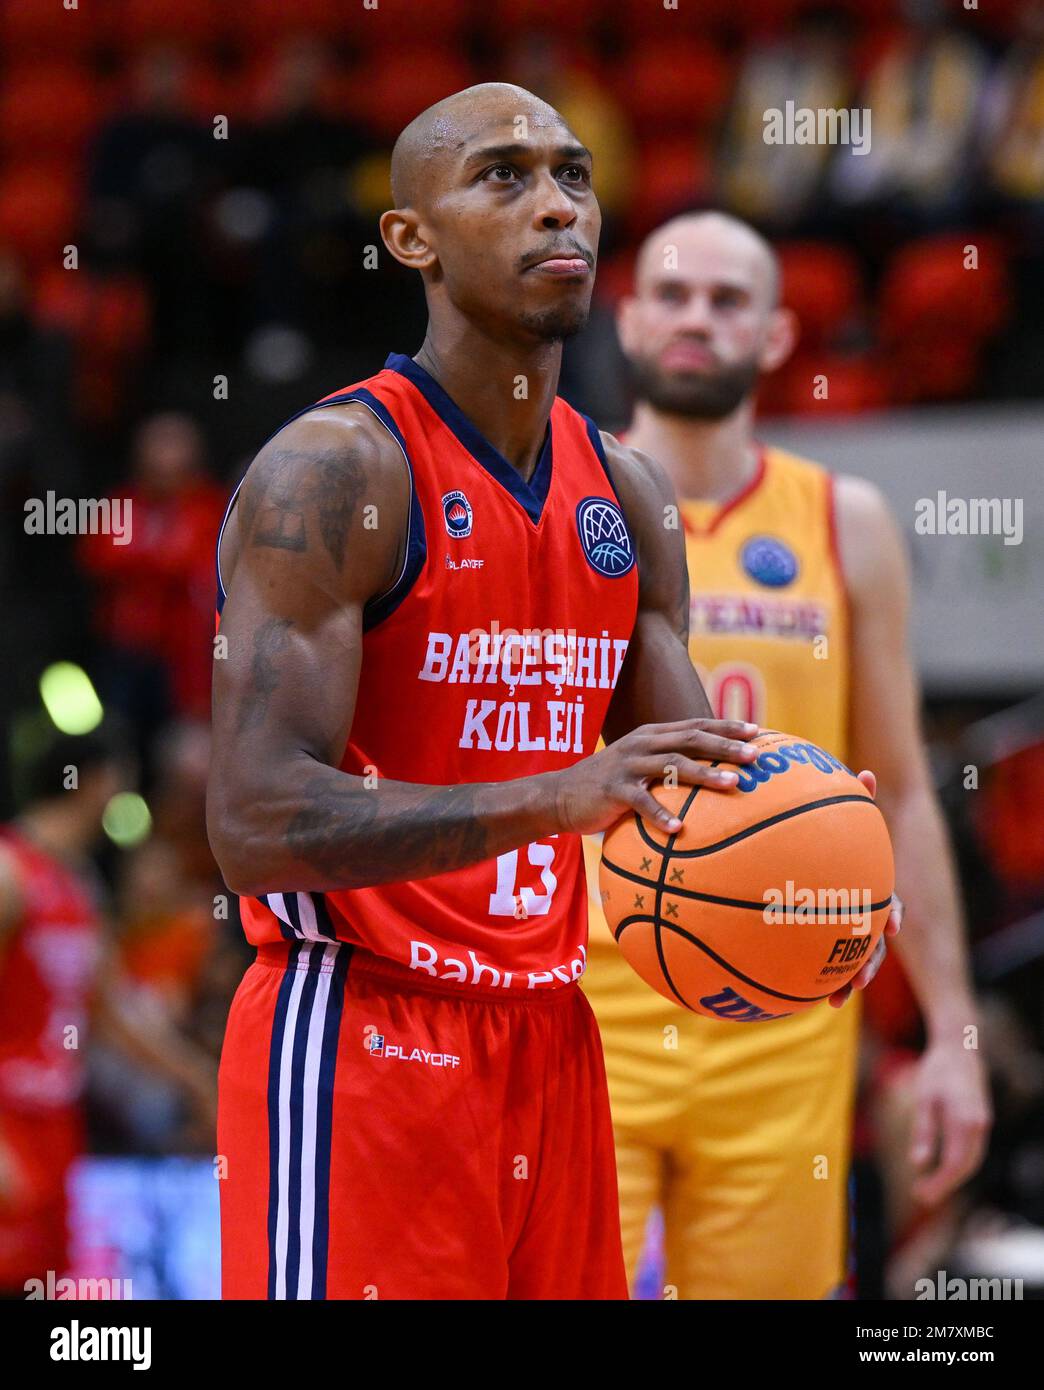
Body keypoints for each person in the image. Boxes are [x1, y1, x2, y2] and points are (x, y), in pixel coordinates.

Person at [207, 85, 894, 1302]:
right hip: (365, 1029)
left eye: (573, 176)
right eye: (503, 176)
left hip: (557, 1037)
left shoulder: (624, 493)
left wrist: (817, 863)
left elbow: (691, 779)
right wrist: (558, 796)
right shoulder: (335, 473)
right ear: (411, 238)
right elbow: (256, 824)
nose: (555, 207)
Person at [580, 210, 991, 1300]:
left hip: (783, 1007)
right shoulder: (564, 508)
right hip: (584, 1006)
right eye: (671, 294)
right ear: (627, 321)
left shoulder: (843, 520)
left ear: (775, 337)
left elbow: (900, 788)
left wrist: (952, 1035)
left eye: (727, 301)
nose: (696, 319)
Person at [0, 722, 216, 1297]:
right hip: (8, 1120)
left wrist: (198, 1078)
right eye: (119, 781)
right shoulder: (9, 871)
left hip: (56, 1124)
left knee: (40, 1288)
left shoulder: (77, 886)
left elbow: (113, 1016)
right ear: (95, 783)